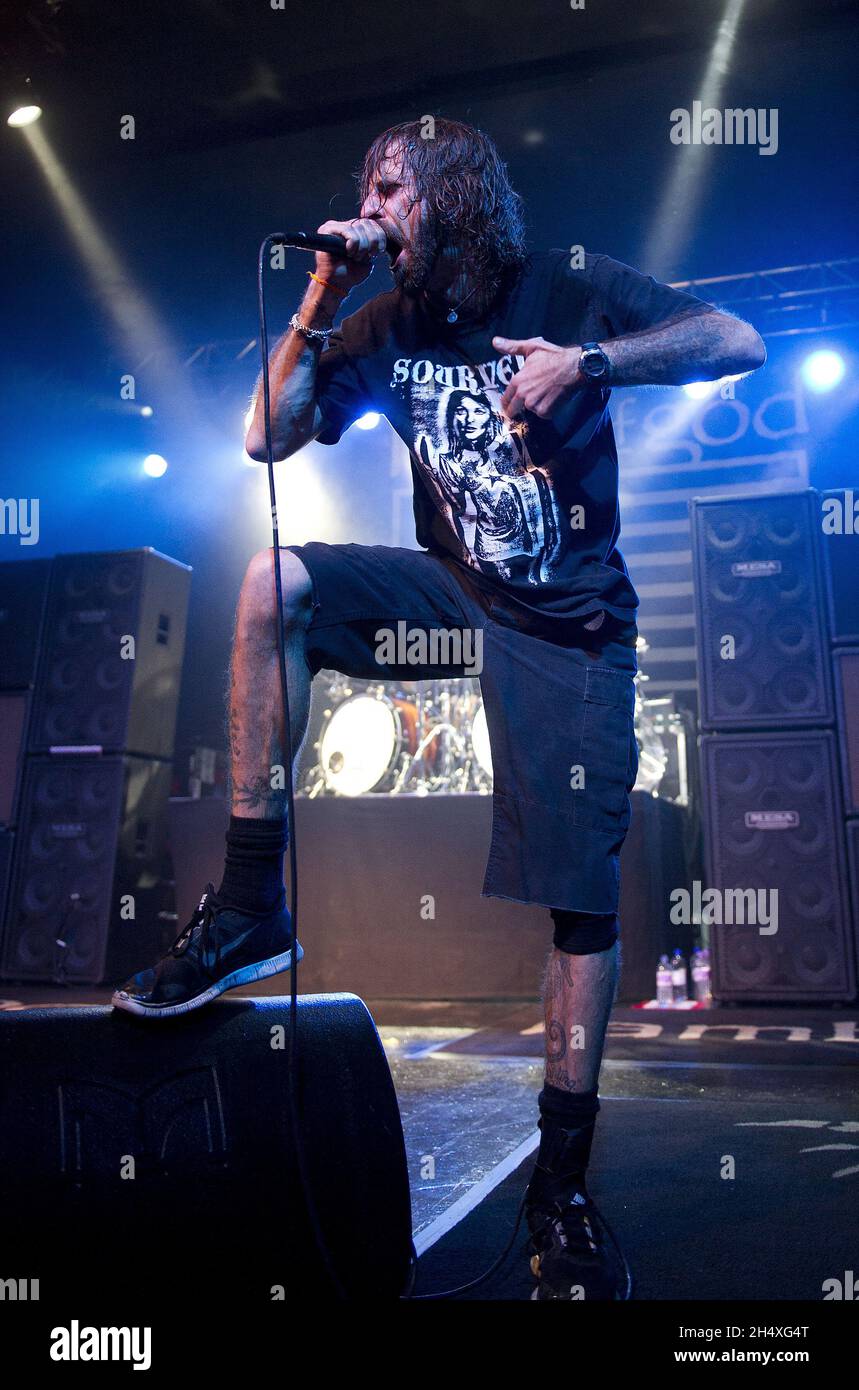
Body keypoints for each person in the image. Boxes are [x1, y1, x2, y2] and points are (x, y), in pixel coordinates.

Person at [112, 118, 765, 1299]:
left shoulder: (557, 280)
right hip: (458, 594)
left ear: (453, 194)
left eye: (389, 187)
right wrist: (324, 280)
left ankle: (560, 1181)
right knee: (273, 583)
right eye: (361, 186)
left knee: (576, 904)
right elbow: (265, 436)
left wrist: (589, 364)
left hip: (567, 622)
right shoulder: (381, 318)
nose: (368, 203)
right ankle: (251, 903)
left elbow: (737, 336)